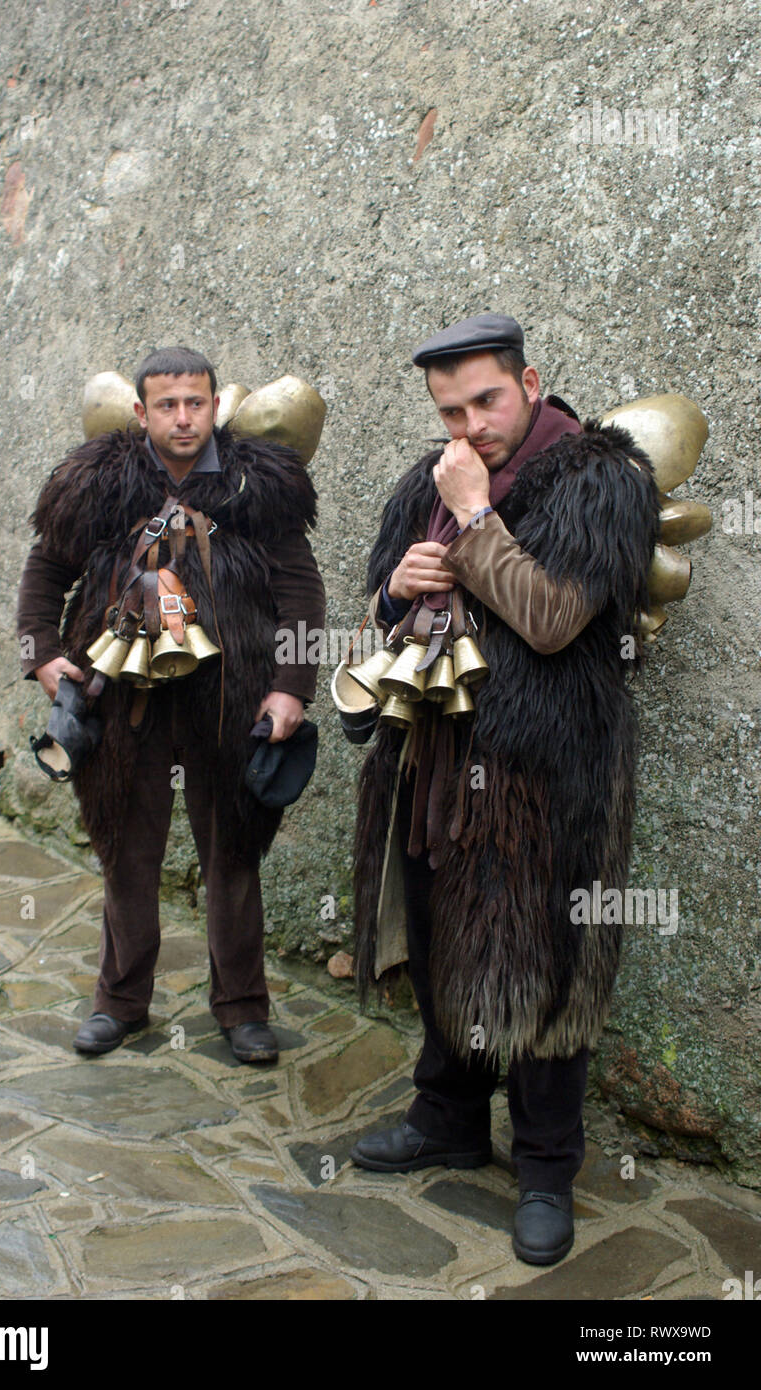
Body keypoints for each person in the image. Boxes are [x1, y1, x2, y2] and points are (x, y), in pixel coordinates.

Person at [349, 313, 659, 1264]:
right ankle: (445, 1117)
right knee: (446, 943)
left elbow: (557, 618)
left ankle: (545, 1168)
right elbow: (380, 612)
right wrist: (397, 590)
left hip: (548, 775)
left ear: (530, 385)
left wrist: (480, 518)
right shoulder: (430, 480)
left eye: (486, 400)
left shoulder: (601, 477)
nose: (470, 425)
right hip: (438, 761)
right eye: (450, 410)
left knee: (542, 967)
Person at [17, 346, 325, 1064]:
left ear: (216, 405)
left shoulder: (260, 484)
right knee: (127, 852)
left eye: (196, 403)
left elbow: (300, 593)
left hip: (232, 697)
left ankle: (243, 1009)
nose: (183, 418)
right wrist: (40, 653)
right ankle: (119, 1002)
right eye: (167, 405)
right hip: (122, 702)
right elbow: (45, 570)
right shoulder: (98, 482)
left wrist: (291, 685)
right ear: (141, 410)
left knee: (234, 857)